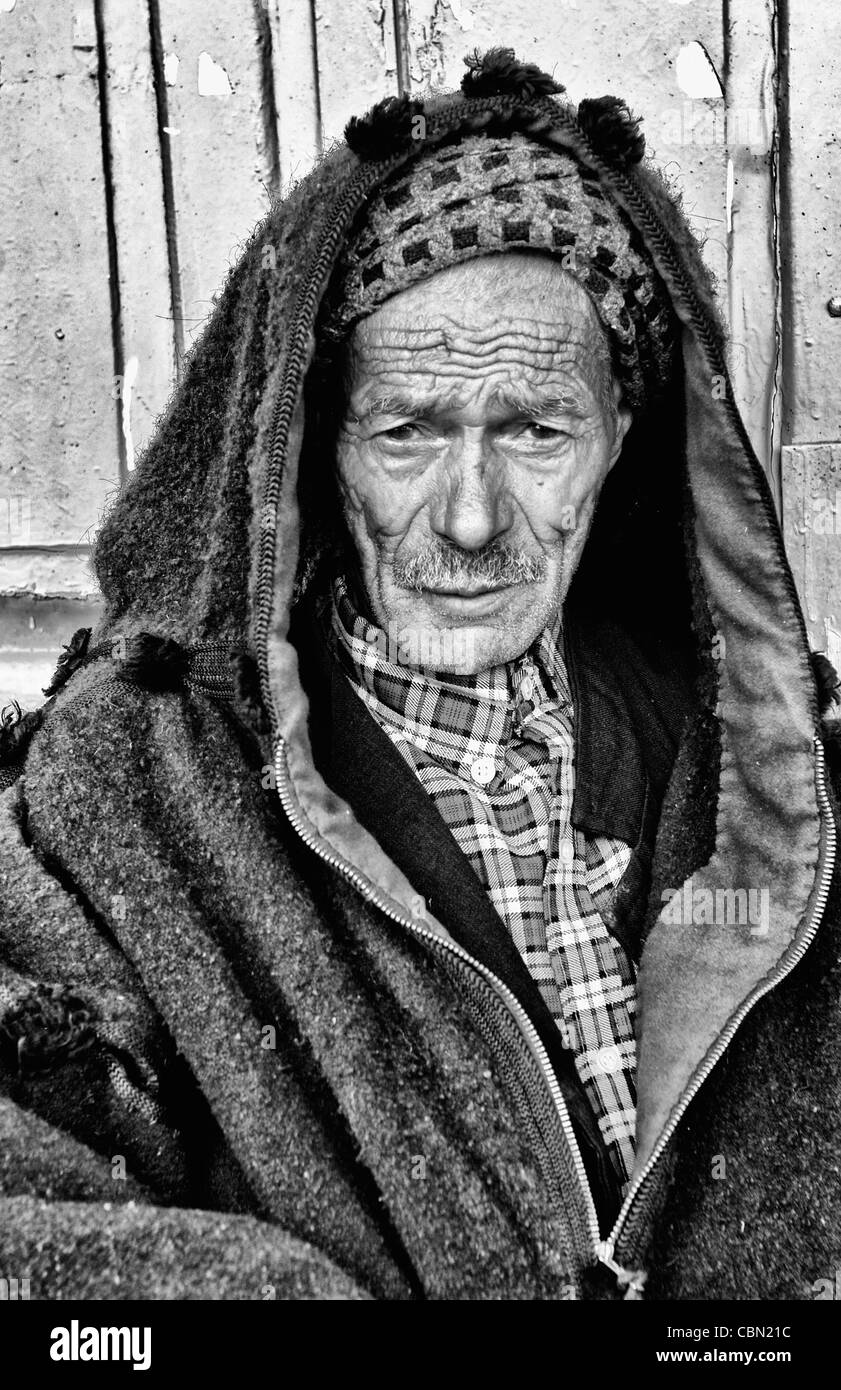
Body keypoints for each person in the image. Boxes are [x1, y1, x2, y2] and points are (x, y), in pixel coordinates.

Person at [1, 47, 839, 1301]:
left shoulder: (771, 773)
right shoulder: (135, 790)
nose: (469, 518)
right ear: (315, 447)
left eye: (536, 430)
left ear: (620, 436)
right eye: (407, 430)